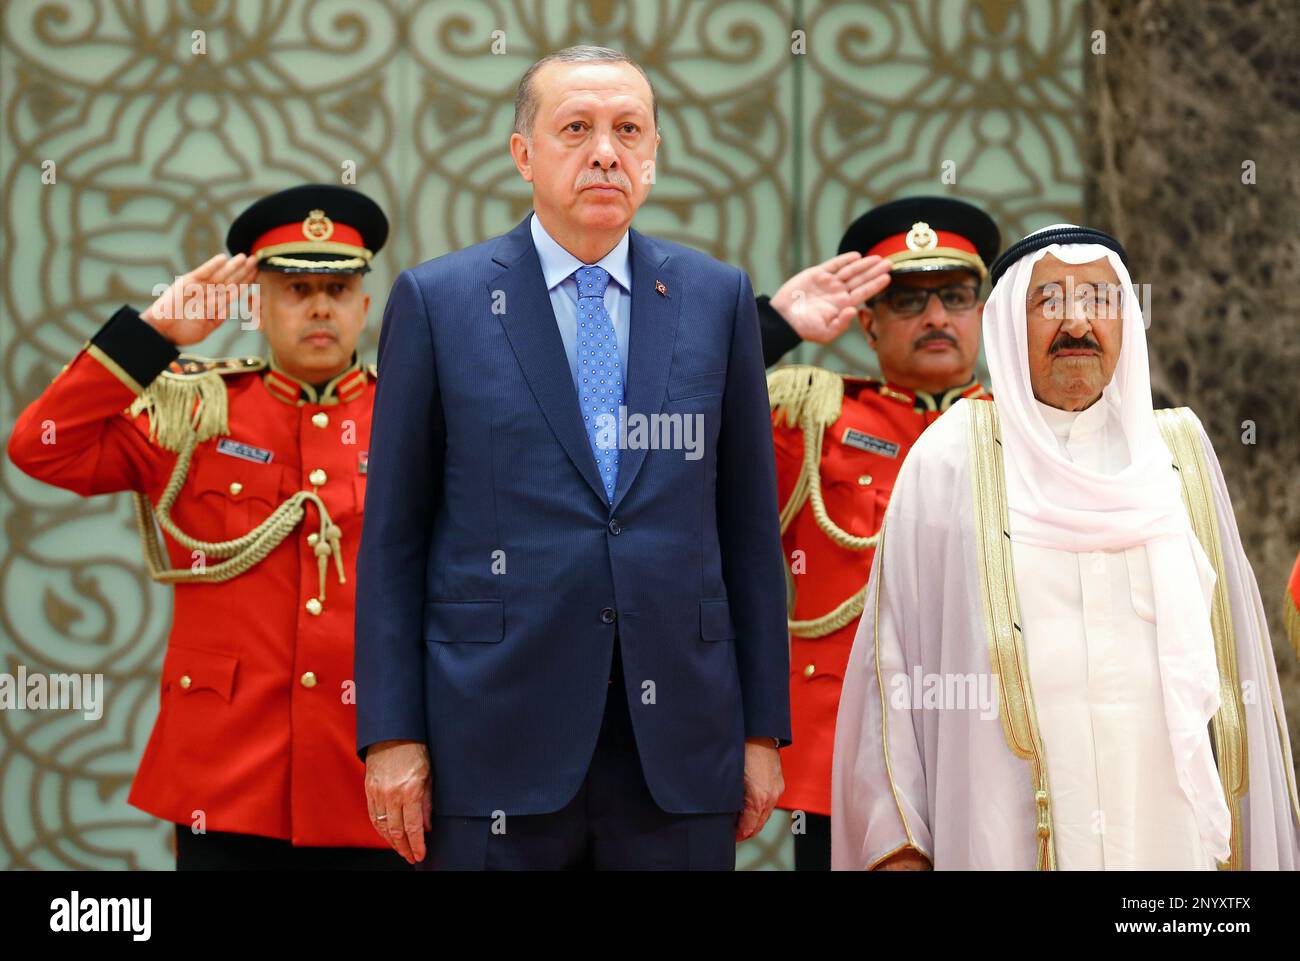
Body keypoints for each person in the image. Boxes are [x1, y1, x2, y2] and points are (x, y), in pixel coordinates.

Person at [354, 45, 790, 871]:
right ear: (524, 154)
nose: (605, 152)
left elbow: (746, 528)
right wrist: (391, 732)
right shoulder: (439, 301)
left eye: (629, 130)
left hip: (678, 743)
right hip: (491, 737)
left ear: (654, 156)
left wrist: (763, 728)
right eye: (577, 128)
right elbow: (393, 540)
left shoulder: (715, 297)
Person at [831, 224, 1300, 870]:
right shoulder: (948, 461)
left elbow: (1237, 679)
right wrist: (900, 847)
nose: (1077, 322)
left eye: (1100, 301)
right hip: (1003, 836)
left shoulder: (1177, 461)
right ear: (1005, 324)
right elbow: (892, 678)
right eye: (1049, 300)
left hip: (1165, 842)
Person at [8, 184, 405, 870]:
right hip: (227, 777)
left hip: (369, 770)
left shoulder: (408, 419)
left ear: (363, 306)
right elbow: (41, 446)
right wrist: (154, 336)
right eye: (294, 289)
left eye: (338, 290)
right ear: (258, 304)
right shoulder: (196, 412)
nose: (319, 307)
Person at [765, 197, 1000, 870]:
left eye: (955, 296)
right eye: (907, 301)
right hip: (842, 749)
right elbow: (680, 416)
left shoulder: (1024, 427)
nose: (934, 317)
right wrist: (773, 326)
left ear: (983, 313)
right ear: (867, 324)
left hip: (991, 740)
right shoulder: (810, 414)